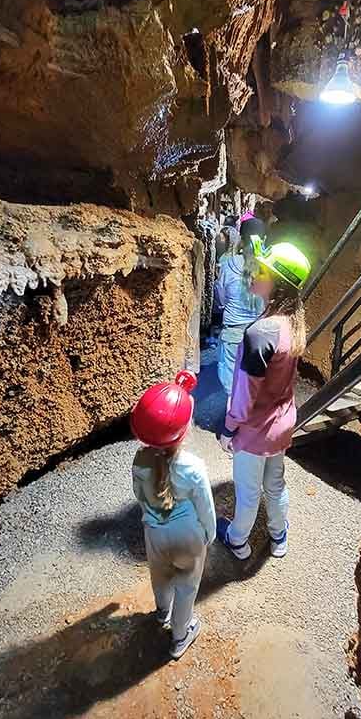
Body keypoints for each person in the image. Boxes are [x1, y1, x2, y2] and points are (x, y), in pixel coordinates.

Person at [215, 236, 311, 560]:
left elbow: (245, 395)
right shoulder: (293, 324)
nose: (256, 273)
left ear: (278, 283)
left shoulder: (260, 333)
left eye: (264, 271)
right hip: (282, 423)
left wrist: (229, 428)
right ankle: (278, 535)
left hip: (256, 429)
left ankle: (238, 540)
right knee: (275, 484)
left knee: (248, 491)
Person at [130, 370, 216, 659]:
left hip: (154, 532)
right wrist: (209, 534)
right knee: (187, 587)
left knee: (161, 576)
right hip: (188, 537)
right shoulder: (193, 467)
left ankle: (161, 612)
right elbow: (205, 507)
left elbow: (140, 497)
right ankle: (181, 637)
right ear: (185, 429)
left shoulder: (139, 461)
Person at [214, 218, 267, 402]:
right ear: (264, 239)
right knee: (252, 381)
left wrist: (224, 307)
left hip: (233, 332)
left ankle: (231, 426)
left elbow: (220, 297)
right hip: (259, 332)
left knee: (231, 386)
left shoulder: (228, 263)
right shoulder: (267, 266)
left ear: (241, 240)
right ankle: (247, 421)